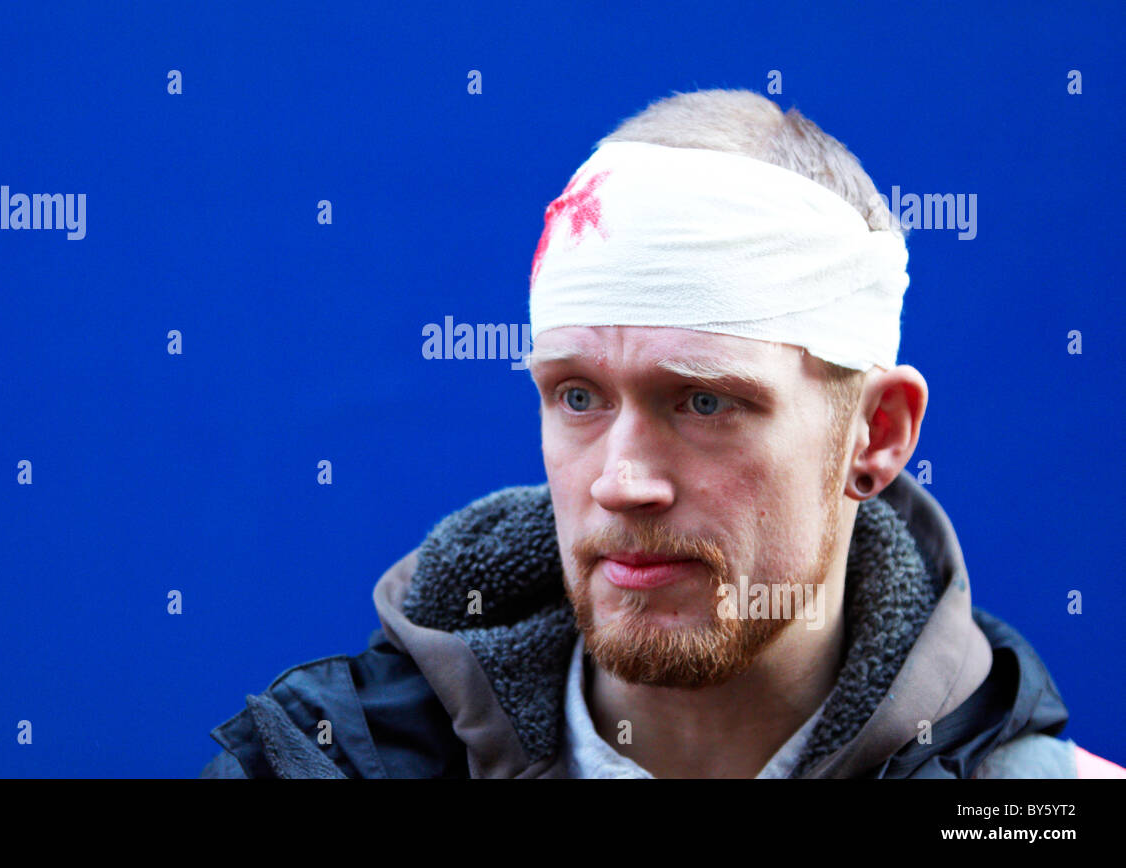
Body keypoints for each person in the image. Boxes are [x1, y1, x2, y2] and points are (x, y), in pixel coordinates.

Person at [200, 88, 1123, 779]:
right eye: (576, 397)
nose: (621, 482)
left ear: (875, 435)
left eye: (703, 403)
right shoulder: (324, 762)